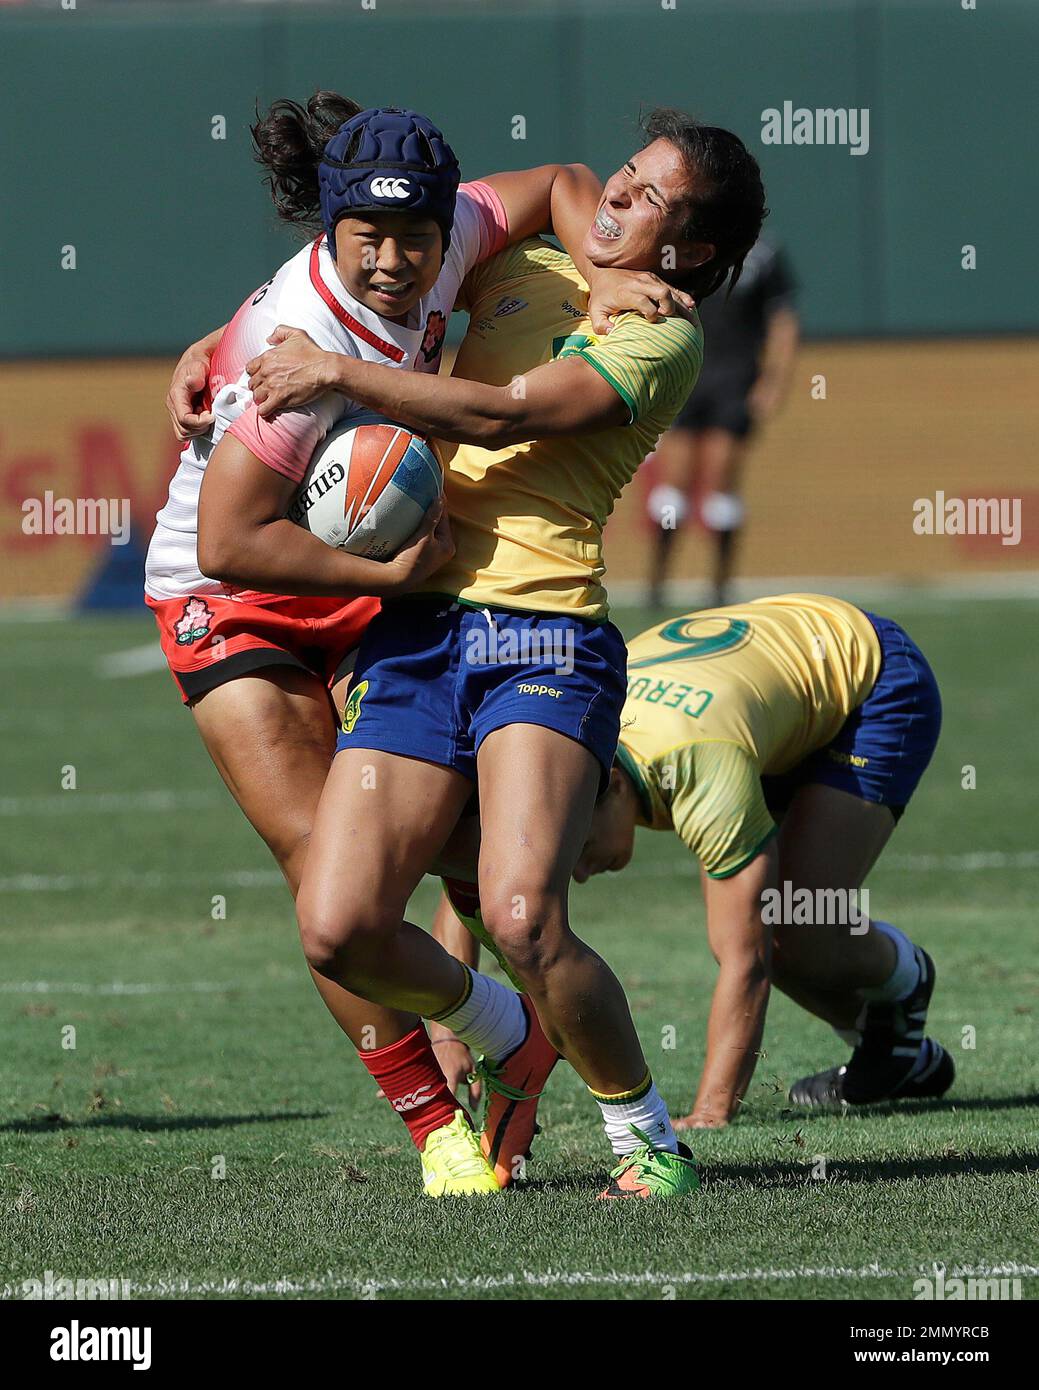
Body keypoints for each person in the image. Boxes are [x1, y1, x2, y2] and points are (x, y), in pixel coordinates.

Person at [159, 95, 696, 1197]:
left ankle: (560, 1056)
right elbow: (231, 536)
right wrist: (384, 570)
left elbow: (554, 179)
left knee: (479, 873)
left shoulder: (454, 236)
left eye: (417, 238)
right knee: (329, 874)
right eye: (370, 242)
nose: (400, 263)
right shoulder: (292, 344)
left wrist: (599, 276)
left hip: (391, 579)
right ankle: (440, 1109)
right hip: (235, 585)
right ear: (327, 234)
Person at [567, 594, 953, 1127]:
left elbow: (747, 964)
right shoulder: (577, 738)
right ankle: (892, 1052)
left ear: (610, 783)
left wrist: (711, 1112)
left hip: (871, 679)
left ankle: (908, 977)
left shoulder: (697, 766)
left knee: (791, 924)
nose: (581, 874)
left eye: (581, 852)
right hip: (762, 693)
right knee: (762, 928)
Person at [646, 236, 799, 607]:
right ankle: (657, 583)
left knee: (720, 483)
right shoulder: (678, 247)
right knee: (673, 485)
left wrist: (775, 382)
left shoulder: (764, 257)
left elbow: (783, 322)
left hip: (735, 381)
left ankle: (719, 586)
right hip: (685, 376)